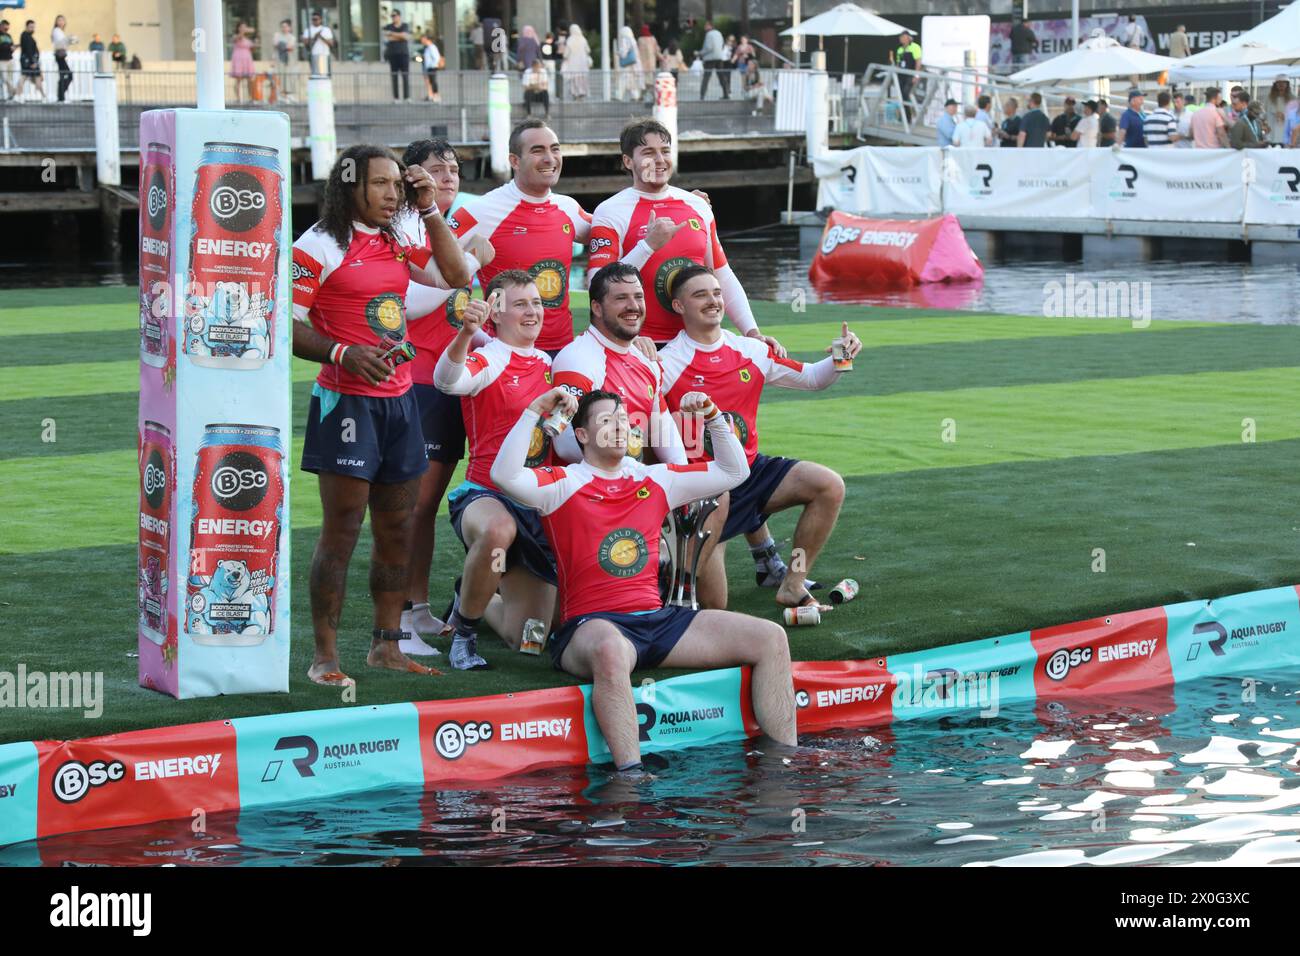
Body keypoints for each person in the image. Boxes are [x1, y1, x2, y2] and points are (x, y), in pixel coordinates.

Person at [490, 378, 797, 776]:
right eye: (607, 420)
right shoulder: (562, 484)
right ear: (581, 434)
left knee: (770, 637)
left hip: (658, 622)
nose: (620, 425)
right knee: (611, 653)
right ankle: (630, 780)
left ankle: (787, 762)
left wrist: (711, 415)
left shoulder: (655, 478)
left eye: (623, 419)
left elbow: (734, 471)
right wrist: (535, 410)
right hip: (591, 627)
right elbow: (504, 474)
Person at [289, 144, 472, 687]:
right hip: (344, 403)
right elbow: (283, 324)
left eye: (398, 184)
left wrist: (432, 207)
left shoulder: (402, 235)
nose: (394, 195)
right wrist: (343, 353)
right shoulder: (316, 246)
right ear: (351, 188)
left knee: (398, 526)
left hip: (400, 401)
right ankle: (325, 657)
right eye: (382, 185)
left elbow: (456, 275)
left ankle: (385, 647)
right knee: (342, 530)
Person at [659, 265, 859, 611]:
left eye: (717, 293)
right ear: (679, 306)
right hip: (705, 492)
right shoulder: (667, 363)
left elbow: (812, 378)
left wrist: (840, 355)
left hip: (752, 473)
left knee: (829, 485)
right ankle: (670, 567)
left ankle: (793, 583)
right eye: (701, 294)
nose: (713, 301)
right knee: (713, 607)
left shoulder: (751, 350)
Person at [393, 139, 494, 655]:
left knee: (427, 504)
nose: (449, 175)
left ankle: (418, 610)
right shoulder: (403, 225)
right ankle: (395, 624)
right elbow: (439, 279)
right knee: (413, 503)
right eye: (437, 169)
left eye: (453, 168)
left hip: (454, 377)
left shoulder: (460, 218)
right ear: (414, 177)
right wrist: (467, 262)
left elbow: (471, 269)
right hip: (418, 378)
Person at [434, 271, 559, 669]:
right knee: (497, 531)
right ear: (496, 315)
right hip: (485, 495)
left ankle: (474, 593)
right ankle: (464, 634)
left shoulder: (551, 363)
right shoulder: (489, 358)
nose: (532, 311)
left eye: (536, 303)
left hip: (536, 503)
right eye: (520, 304)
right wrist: (464, 333)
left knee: (530, 639)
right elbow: (446, 382)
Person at [587, 120, 780, 349]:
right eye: (648, 152)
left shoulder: (696, 206)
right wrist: (648, 246)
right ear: (628, 161)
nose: (659, 160)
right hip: (640, 346)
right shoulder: (611, 211)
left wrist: (752, 332)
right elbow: (597, 285)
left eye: (665, 151)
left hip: (697, 343)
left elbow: (722, 275)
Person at [446, 119, 591, 354]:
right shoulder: (480, 210)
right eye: (537, 151)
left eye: (555, 149)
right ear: (514, 160)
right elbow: (434, 261)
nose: (549, 158)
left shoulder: (569, 208)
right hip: (504, 352)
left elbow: (613, 234)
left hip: (563, 351)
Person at [551, 263, 687, 469]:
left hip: (631, 483)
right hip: (591, 488)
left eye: (638, 296)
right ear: (597, 307)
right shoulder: (578, 360)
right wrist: (632, 471)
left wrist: (681, 476)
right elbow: (564, 443)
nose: (633, 306)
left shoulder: (646, 358)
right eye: (621, 298)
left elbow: (663, 428)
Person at [891, 31, 921, 120]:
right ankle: (905, 118)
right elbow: (898, 63)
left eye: (903, 37)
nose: (901, 39)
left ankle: (910, 117)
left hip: (910, 75)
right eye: (900, 37)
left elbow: (918, 61)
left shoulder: (915, 47)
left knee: (906, 93)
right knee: (902, 95)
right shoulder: (899, 49)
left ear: (908, 38)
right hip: (901, 75)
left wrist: (916, 75)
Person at [15, 20, 45, 101]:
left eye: (33, 27)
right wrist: (33, 62)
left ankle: (43, 96)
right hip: (29, 62)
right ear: (27, 26)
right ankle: (17, 95)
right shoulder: (25, 36)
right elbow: (28, 50)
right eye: (31, 27)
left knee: (36, 78)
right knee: (25, 77)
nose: (32, 28)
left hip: (31, 61)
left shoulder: (28, 36)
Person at [384, 10, 411, 101]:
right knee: (394, 76)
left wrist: (393, 34)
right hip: (393, 55)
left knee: (405, 76)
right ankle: (396, 98)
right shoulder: (389, 26)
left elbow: (406, 36)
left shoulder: (405, 26)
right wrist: (400, 36)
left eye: (394, 16)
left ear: (399, 16)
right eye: (392, 16)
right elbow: (388, 38)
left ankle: (407, 97)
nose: (393, 17)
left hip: (403, 54)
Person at [699, 20, 728, 100]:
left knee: (706, 77)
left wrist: (700, 53)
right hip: (719, 57)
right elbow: (722, 45)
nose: (705, 27)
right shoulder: (719, 33)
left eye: (706, 26)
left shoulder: (709, 34)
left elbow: (708, 47)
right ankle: (726, 94)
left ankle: (702, 95)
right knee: (721, 76)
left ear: (710, 26)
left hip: (710, 58)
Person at [51, 15, 75, 103]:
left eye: (62, 20)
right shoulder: (56, 31)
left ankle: (61, 95)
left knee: (65, 75)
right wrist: (68, 39)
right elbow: (60, 43)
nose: (61, 22)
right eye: (59, 20)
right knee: (67, 75)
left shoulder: (60, 31)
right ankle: (60, 96)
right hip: (59, 55)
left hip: (62, 55)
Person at [229, 22, 255, 104]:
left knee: (250, 79)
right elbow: (237, 38)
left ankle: (251, 98)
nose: (244, 28)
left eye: (245, 27)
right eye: (242, 27)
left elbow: (252, 49)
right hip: (238, 59)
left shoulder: (247, 40)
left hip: (247, 59)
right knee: (238, 80)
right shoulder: (236, 36)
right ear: (238, 28)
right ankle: (238, 99)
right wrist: (243, 31)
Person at [561, 23, 589, 99]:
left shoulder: (570, 40)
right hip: (582, 63)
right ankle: (582, 92)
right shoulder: (583, 39)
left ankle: (575, 94)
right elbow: (588, 50)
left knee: (574, 78)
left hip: (573, 63)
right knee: (582, 78)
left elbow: (566, 54)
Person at [273, 20, 296, 102]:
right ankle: (281, 95)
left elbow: (290, 47)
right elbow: (275, 44)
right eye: (282, 26)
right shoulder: (277, 35)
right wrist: (285, 46)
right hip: (279, 59)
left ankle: (289, 94)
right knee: (280, 77)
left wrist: (281, 44)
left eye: (286, 26)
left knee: (289, 77)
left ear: (289, 28)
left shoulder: (292, 37)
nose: (284, 28)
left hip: (288, 59)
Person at [615, 24, 640, 101]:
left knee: (622, 80)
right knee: (632, 81)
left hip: (627, 65)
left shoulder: (624, 40)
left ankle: (619, 96)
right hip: (634, 64)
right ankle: (635, 96)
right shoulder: (633, 40)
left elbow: (623, 53)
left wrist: (617, 52)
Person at [1266, 80, 1292, 145]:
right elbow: (1265, 112)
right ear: (1275, 85)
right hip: (1272, 131)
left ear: (1287, 84)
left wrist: (1285, 116)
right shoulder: (1269, 98)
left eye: (1283, 83)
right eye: (1279, 83)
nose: (1281, 85)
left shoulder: (1293, 98)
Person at [638, 24, 660, 100]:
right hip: (651, 65)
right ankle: (652, 95)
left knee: (645, 81)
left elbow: (638, 52)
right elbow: (656, 50)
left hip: (643, 65)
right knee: (649, 81)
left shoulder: (640, 40)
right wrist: (661, 57)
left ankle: (644, 96)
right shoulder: (653, 39)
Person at [420, 34, 441, 101]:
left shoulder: (432, 47)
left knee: (433, 81)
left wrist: (432, 65)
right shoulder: (427, 48)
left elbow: (436, 58)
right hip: (428, 67)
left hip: (432, 67)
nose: (422, 41)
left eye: (423, 39)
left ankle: (436, 95)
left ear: (427, 39)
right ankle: (431, 95)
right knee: (430, 82)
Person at [0, 21, 15, 101]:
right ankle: (14, 90)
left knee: (10, 78)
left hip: (9, 59)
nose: (7, 28)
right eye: (5, 26)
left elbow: (12, 45)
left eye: (8, 26)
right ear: (1, 26)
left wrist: (13, 48)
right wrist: (8, 47)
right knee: (5, 78)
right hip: (1, 60)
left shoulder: (9, 35)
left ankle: (10, 94)